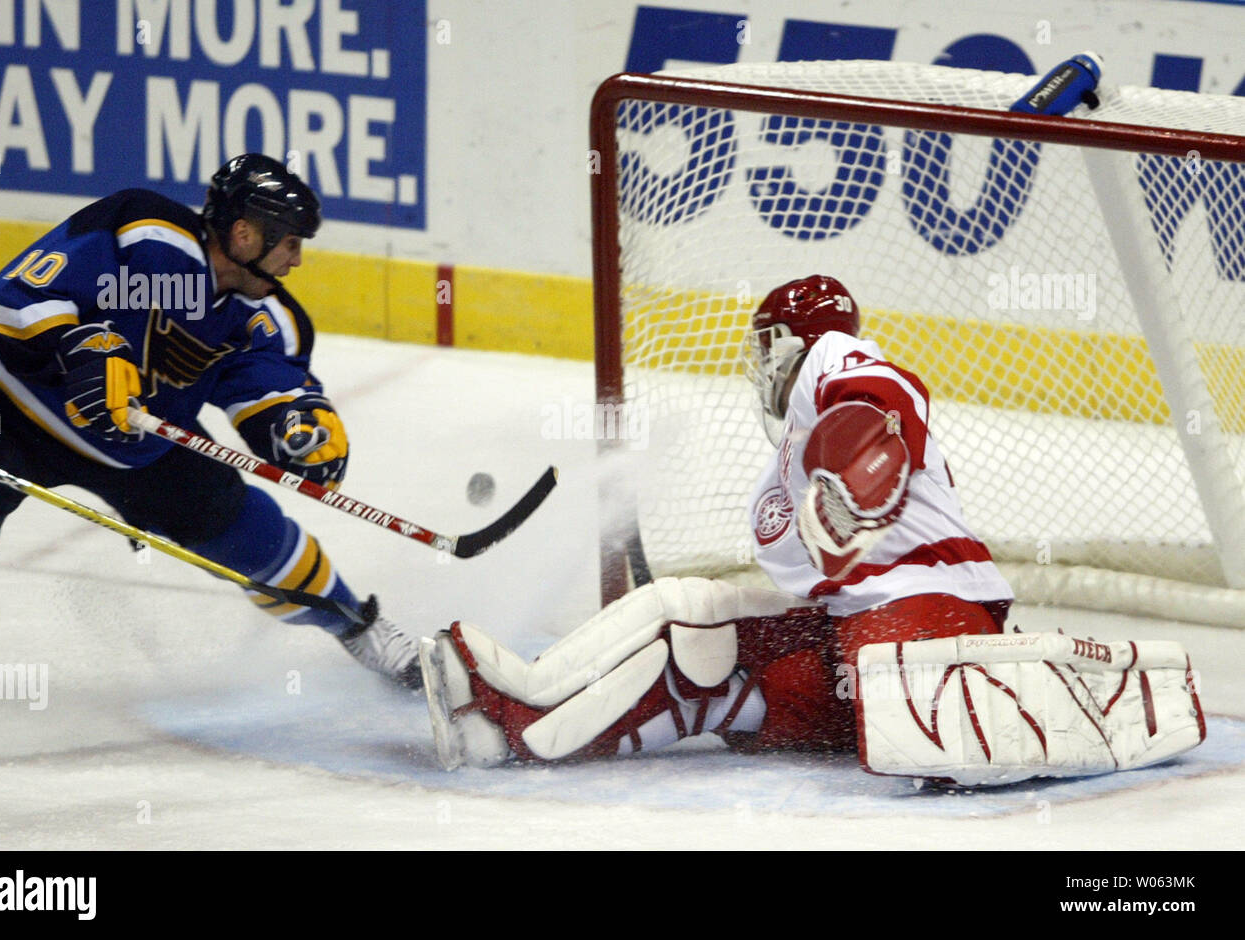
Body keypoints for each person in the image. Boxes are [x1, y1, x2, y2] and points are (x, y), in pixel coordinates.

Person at [418, 276, 1204, 783]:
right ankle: (513, 719)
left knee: (704, 630)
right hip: (857, 647)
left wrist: (853, 471)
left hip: (928, 620)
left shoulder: (834, 362)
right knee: (690, 628)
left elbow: (885, 400)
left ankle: (971, 710)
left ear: (794, 342)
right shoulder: (791, 444)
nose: (760, 363)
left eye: (767, 345)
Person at [0, 153, 420, 688]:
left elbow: (267, 389)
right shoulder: (142, 231)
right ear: (244, 234)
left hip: (140, 444)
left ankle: (360, 629)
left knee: (258, 541)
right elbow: (14, 296)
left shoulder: (266, 317)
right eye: (290, 242)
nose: (297, 261)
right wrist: (83, 348)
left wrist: (297, 428)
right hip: (4, 409)